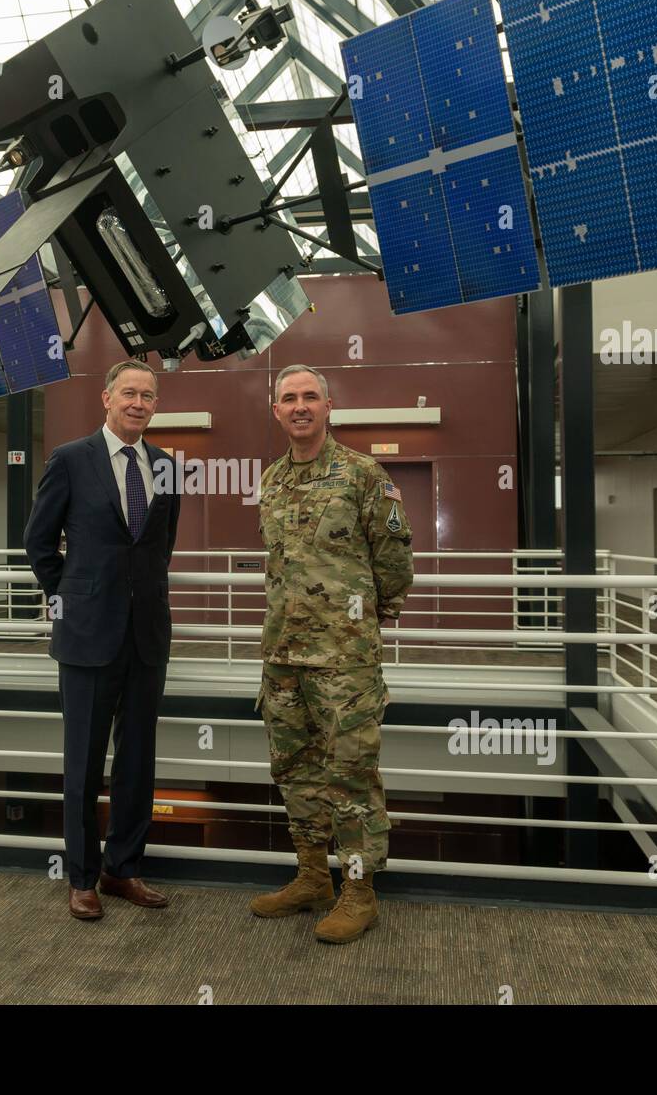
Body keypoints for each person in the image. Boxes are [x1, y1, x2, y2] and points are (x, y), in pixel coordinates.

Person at [250, 364, 413, 943]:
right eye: (289, 398)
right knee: (294, 769)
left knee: (351, 775)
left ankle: (359, 892)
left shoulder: (362, 475)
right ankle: (312, 876)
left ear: (328, 406)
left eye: (310, 397)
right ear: (276, 410)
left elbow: (394, 561)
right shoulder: (270, 480)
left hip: (344, 662)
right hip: (284, 656)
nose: (299, 406)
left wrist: (371, 615)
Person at [24, 359, 180, 920]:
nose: (139, 403)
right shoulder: (70, 460)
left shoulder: (165, 466)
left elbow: (161, 547)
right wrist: (71, 594)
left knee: (138, 762)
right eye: (129, 393)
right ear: (106, 398)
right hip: (87, 634)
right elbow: (38, 541)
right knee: (84, 764)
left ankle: (123, 870)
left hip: (146, 637)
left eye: (149, 395)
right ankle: (83, 877)